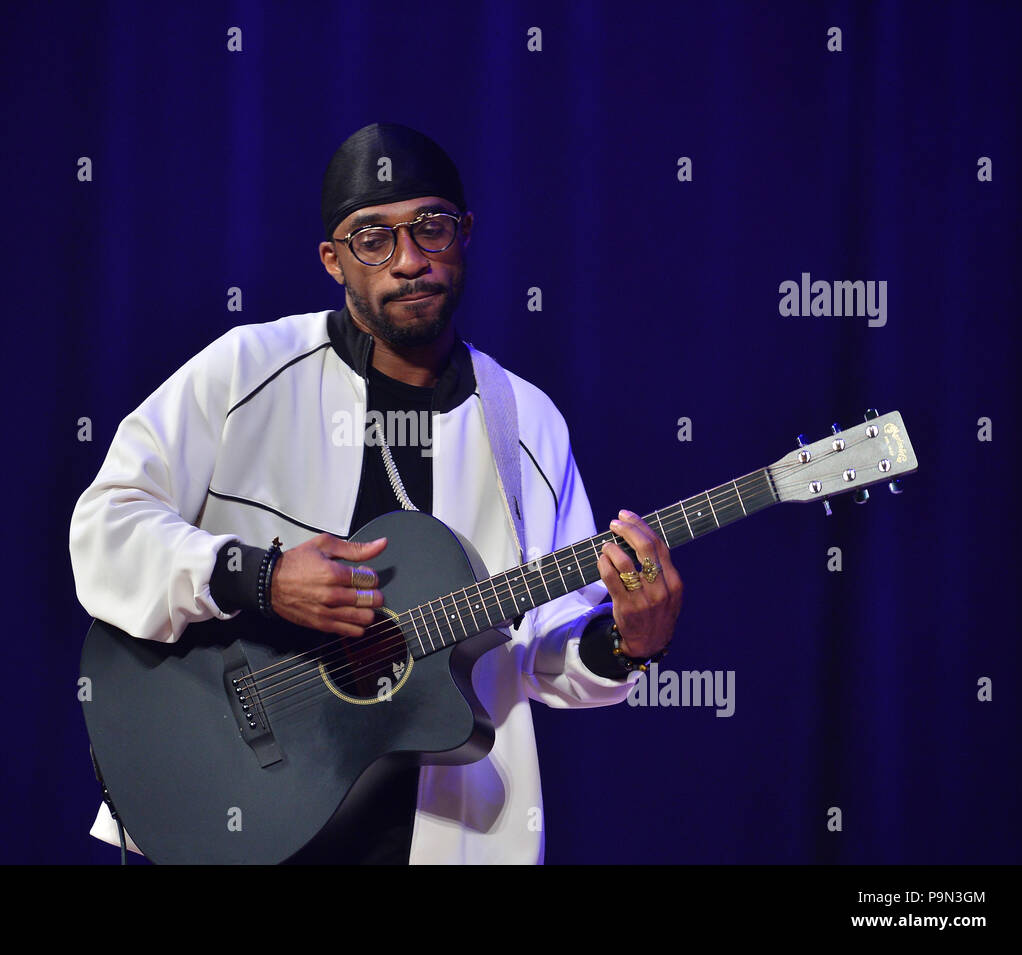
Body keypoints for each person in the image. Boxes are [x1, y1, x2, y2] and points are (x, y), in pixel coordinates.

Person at [69, 122, 683, 864]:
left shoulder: (525, 424)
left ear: (465, 234)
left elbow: (543, 654)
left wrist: (626, 643)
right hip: (237, 806)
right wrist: (259, 577)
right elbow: (104, 527)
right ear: (333, 259)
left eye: (432, 228)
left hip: (441, 836)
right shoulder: (246, 372)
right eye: (373, 239)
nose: (410, 260)